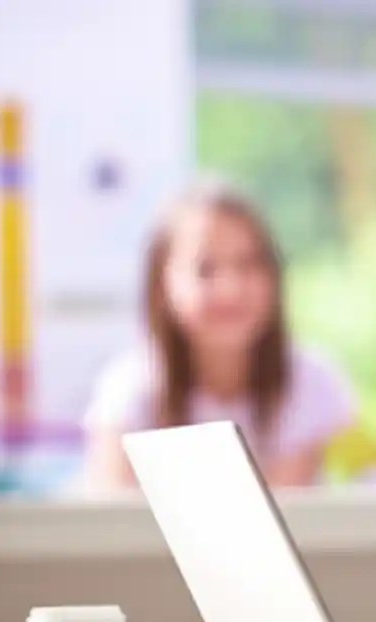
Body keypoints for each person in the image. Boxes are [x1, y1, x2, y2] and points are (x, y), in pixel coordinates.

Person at [83, 181, 356, 490]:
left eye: (248, 264)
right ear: (161, 284)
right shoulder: (130, 389)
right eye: (205, 269)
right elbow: (109, 514)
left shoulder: (311, 382)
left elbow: (287, 512)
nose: (231, 289)